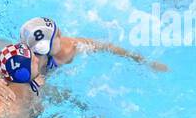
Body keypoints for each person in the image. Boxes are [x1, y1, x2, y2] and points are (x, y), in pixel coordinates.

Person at [18, 16, 166, 77]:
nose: (61, 34)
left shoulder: (69, 48)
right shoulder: (20, 59)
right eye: (57, 35)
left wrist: (143, 61)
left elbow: (106, 47)